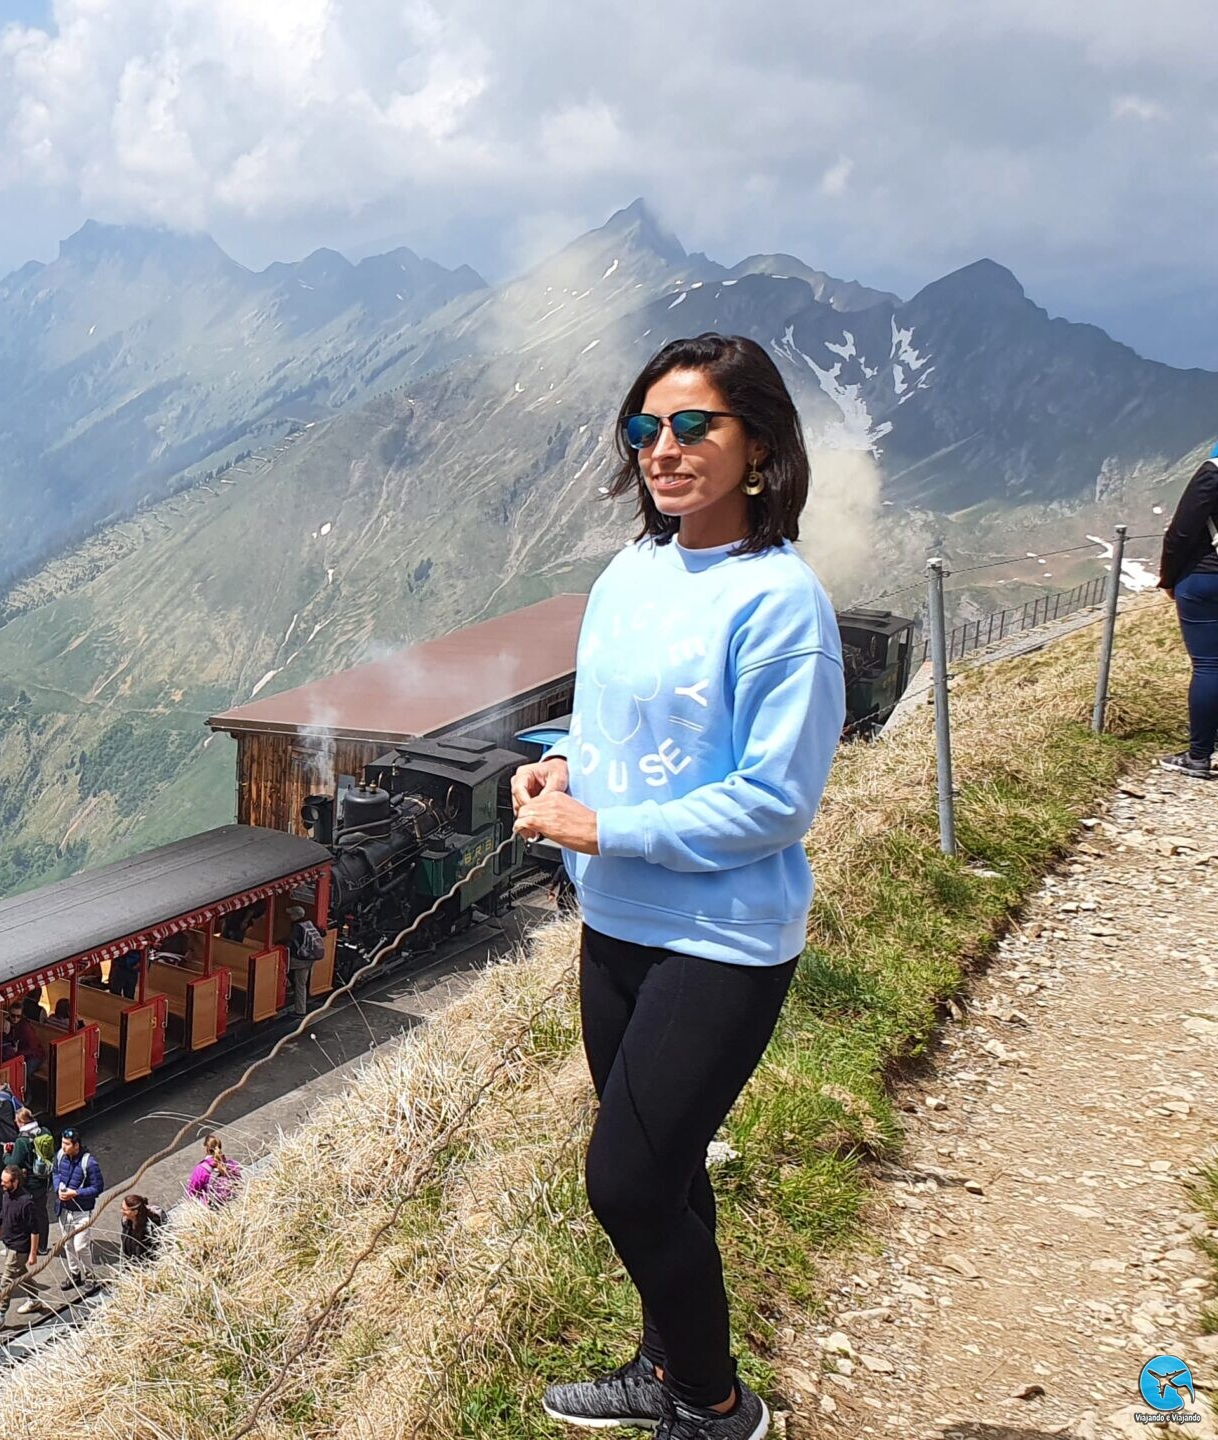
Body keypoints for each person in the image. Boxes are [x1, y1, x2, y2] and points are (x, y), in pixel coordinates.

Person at [514, 334, 843, 1440]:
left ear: (759, 445)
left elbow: (773, 804)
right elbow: (614, 719)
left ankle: (717, 1408)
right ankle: (665, 1363)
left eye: (693, 425)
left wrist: (601, 826)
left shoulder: (781, 603)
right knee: (666, 1172)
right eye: (643, 428)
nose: (663, 447)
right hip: (616, 921)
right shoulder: (630, 573)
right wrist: (562, 760)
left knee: (626, 1180)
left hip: (722, 936)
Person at [1156, 441, 1218, 780]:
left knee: (1210, 665)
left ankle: (1198, 757)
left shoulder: (1213, 473)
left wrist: (1168, 578)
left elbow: (1180, 533)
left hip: (1207, 577)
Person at [0, 1165, 47, 1333]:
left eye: (5, 1182)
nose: (2, 1184)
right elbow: (4, 1212)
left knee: (5, 1282)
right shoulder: (7, 1195)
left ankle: (0, 1318)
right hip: (9, 1243)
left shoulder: (26, 1202)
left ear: (16, 1182)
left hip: (19, 1248)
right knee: (22, 1275)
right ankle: (34, 1299)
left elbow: (35, 1230)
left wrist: (33, 1254)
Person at [50, 1129, 104, 1289]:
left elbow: (98, 1187)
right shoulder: (60, 1156)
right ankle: (75, 1274)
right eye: (62, 1143)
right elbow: (56, 1173)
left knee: (81, 1245)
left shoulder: (90, 1163)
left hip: (82, 1211)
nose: (63, 1147)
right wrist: (57, 1187)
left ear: (76, 1145)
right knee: (68, 1244)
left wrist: (76, 1193)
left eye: (67, 1144)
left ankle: (90, 1275)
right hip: (64, 1210)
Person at [286, 911, 326, 1018]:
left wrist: (279, 943)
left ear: (296, 916)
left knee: (299, 984)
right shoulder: (309, 923)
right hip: (310, 958)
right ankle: (302, 1000)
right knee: (302, 982)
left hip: (300, 960)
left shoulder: (297, 927)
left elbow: (289, 939)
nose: (290, 917)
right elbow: (323, 933)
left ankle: (300, 1011)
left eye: (291, 915)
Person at [184, 1135, 239, 1206]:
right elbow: (238, 1183)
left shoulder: (200, 1169)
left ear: (206, 1148)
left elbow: (192, 1191)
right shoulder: (231, 1165)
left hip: (213, 1207)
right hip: (233, 1204)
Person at [118, 1194, 166, 1262]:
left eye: (124, 1210)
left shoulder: (150, 1229)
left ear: (135, 1212)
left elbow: (156, 1251)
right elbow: (123, 1247)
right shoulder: (126, 1223)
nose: (121, 1211)